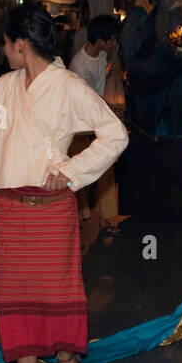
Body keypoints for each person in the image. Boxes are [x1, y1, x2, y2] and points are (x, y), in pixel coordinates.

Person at [0, 7, 128, 363]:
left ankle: (68, 356)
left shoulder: (68, 86)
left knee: (57, 294)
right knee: (14, 300)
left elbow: (115, 134)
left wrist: (71, 171)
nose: (3, 49)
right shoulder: (3, 86)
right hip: (6, 212)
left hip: (51, 213)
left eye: (5, 42)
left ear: (21, 44)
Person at [67, 14, 124, 235]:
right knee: (79, 167)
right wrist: (110, 108)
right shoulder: (78, 64)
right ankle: (80, 215)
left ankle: (107, 217)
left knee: (105, 166)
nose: (114, 43)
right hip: (78, 122)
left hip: (95, 119)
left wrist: (107, 108)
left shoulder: (101, 56)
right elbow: (86, 98)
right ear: (101, 38)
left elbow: (98, 92)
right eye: (112, 39)